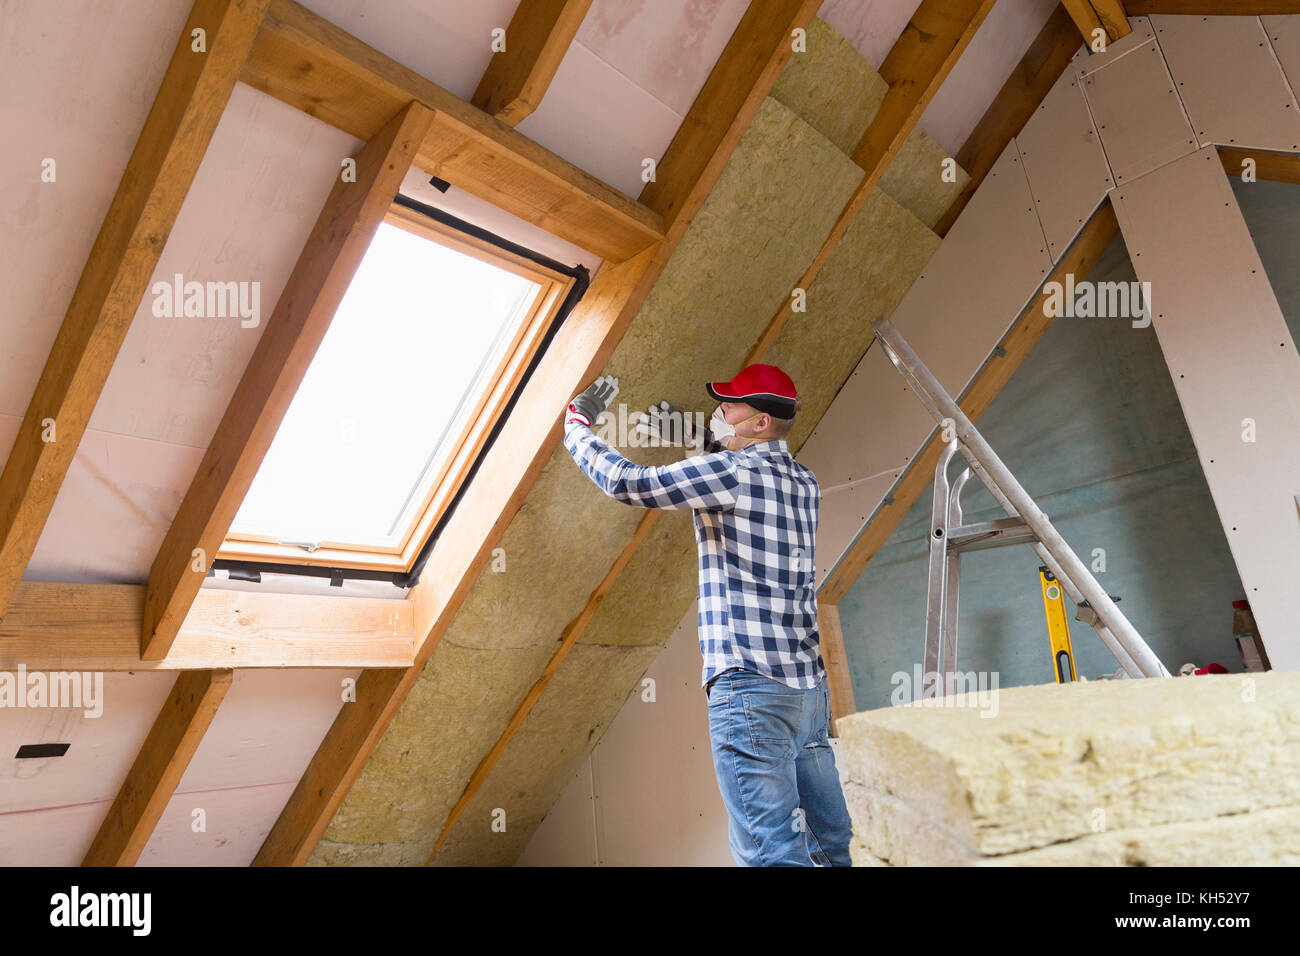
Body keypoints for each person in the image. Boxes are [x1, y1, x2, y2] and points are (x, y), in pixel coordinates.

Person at [561, 363, 853, 866]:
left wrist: (577, 427)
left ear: (759, 422)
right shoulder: (803, 482)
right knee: (828, 844)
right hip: (805, 694)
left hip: (749, 691)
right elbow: (736, 472)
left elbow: (628, 483)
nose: (721, 410)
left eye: (731, 405)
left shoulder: (729, 473)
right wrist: (695, 436)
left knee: (772, 853)